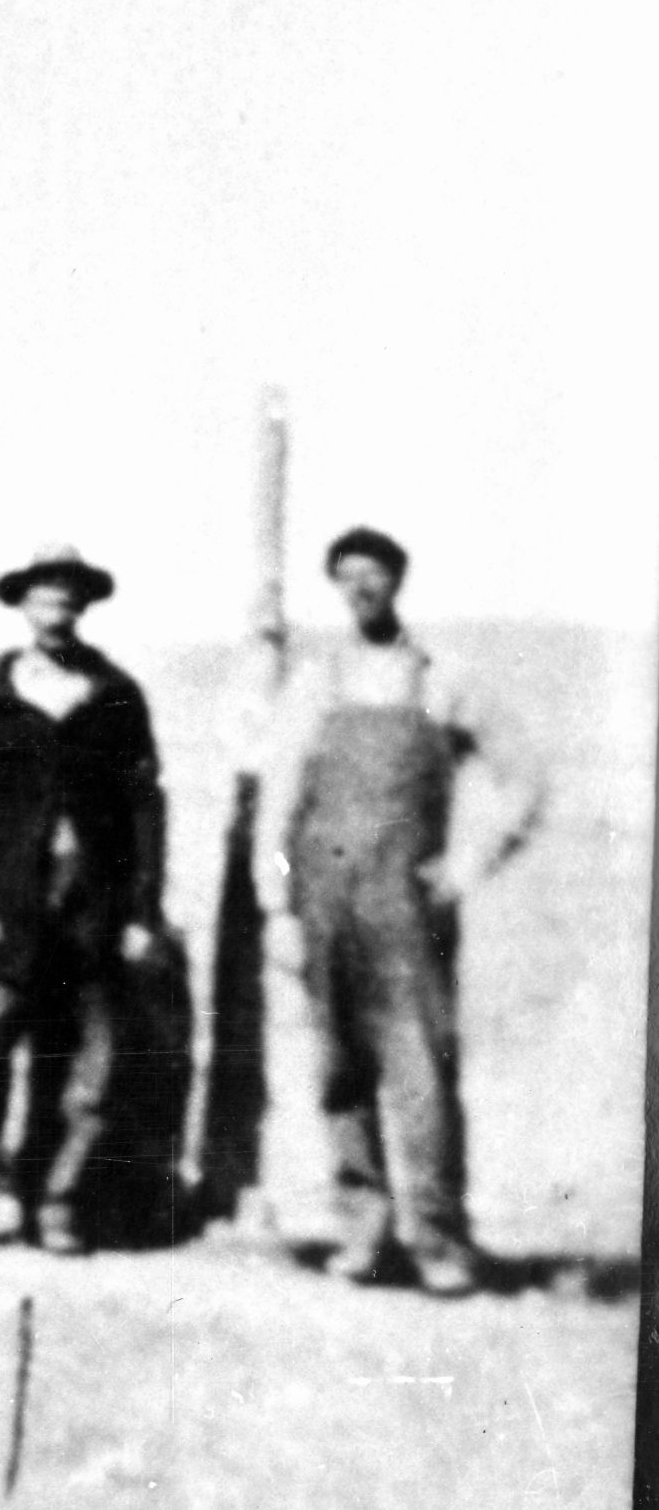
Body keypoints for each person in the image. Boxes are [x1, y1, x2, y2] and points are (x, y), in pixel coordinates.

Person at [253, 525, 543, 1296]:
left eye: (373, 573)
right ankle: (364, 1234)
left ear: (396, 580)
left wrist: (468, 862)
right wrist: (276, 902)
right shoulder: (313, 683)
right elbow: (277, 799)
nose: (360, 587)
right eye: (346, 575)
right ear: (334, 587)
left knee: (421, 1073)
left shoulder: (443, 680)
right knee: (338, 1069)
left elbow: (522, 777)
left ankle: (438, 1239)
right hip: (323, 904)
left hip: (407, 912)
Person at [0, 547, 168, 1252]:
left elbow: (144, 807)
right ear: (23, 605)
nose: (55, 607)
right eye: (43, 595)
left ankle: (55, 1204)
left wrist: (140, 914)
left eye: (68, 595)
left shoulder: (114, 696)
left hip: (93, 907)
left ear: (83, 606)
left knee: (85, 1067)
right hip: (11, 906)